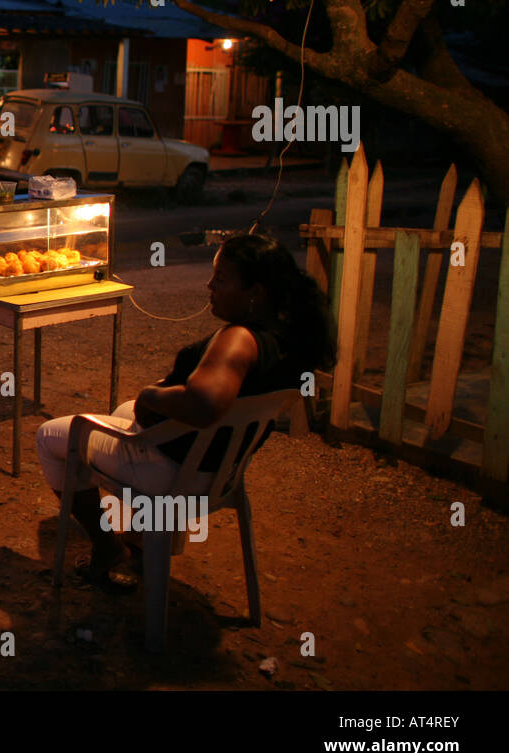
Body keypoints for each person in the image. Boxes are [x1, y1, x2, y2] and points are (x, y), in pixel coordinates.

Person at [34, 233, 335, 588]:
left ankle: (108, 547)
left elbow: (205, 404)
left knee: (51, 436)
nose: (210, 285)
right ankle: (143, 542)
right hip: (222, 467)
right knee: (122, 408)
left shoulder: (240, 339)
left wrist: (150, 396)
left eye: (221, 279)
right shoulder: (290, 338)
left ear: (256, 292)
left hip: (176, 473)